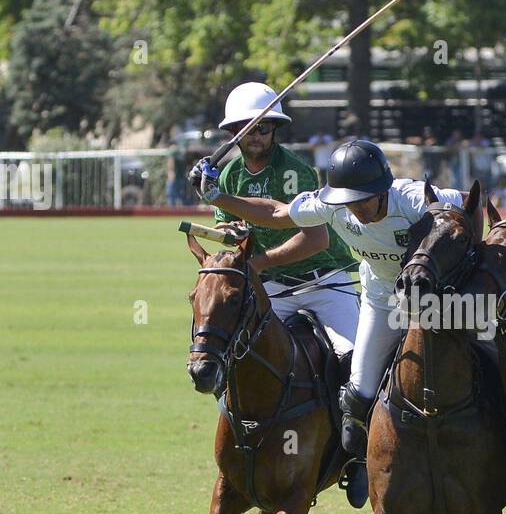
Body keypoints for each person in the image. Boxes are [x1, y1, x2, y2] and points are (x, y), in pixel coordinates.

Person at [196, 137, 466, 482]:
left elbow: (473, 201)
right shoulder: (332, 204)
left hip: (439, 298)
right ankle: (361, 467)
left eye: (364, 200)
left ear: (383, 189)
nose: (356, 210)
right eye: (348, 202)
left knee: (483, 361)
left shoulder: (413, 198)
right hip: (383, 298)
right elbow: (277, 212)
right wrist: (218, 197)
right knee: (358, 398)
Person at [196, 81, 364, 504]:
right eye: (247, 130)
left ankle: (356, 454)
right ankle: (245, 444)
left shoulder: (296, 171)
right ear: (234, 133)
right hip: (270, 286)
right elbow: (233, 236)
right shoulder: (229, 174)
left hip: (324, 280)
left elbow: (316, 240)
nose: (256, 138)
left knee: (357, 359)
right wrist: (228, 233)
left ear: (275, 129)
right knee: (234, 353)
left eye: (263, 129)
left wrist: (261, 261)